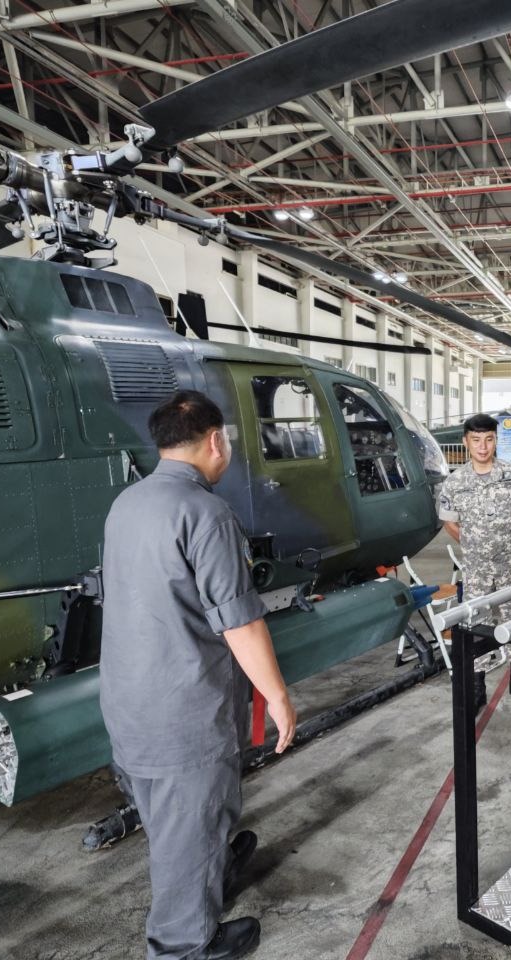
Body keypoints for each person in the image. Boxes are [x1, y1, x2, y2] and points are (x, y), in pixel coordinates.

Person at [100, 390, 297, 960]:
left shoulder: (127, 503)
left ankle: (211, 872)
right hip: (183, 708)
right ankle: (182, 944)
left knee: (178, 816)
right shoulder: (206, 513)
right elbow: (240, 622)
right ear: (215, 441)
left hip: (129, 700)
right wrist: (277, 696)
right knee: (189, 823)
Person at [438, 413, 511, 711]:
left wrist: (509, 542)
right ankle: (477, 686)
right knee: (477, 622)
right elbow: (450, 522)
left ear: (496, 440)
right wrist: (474, 545)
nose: (483, 446)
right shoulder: (455, 482)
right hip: (477, 569)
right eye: (476, 440)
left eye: (489, 439)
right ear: (465, 442)